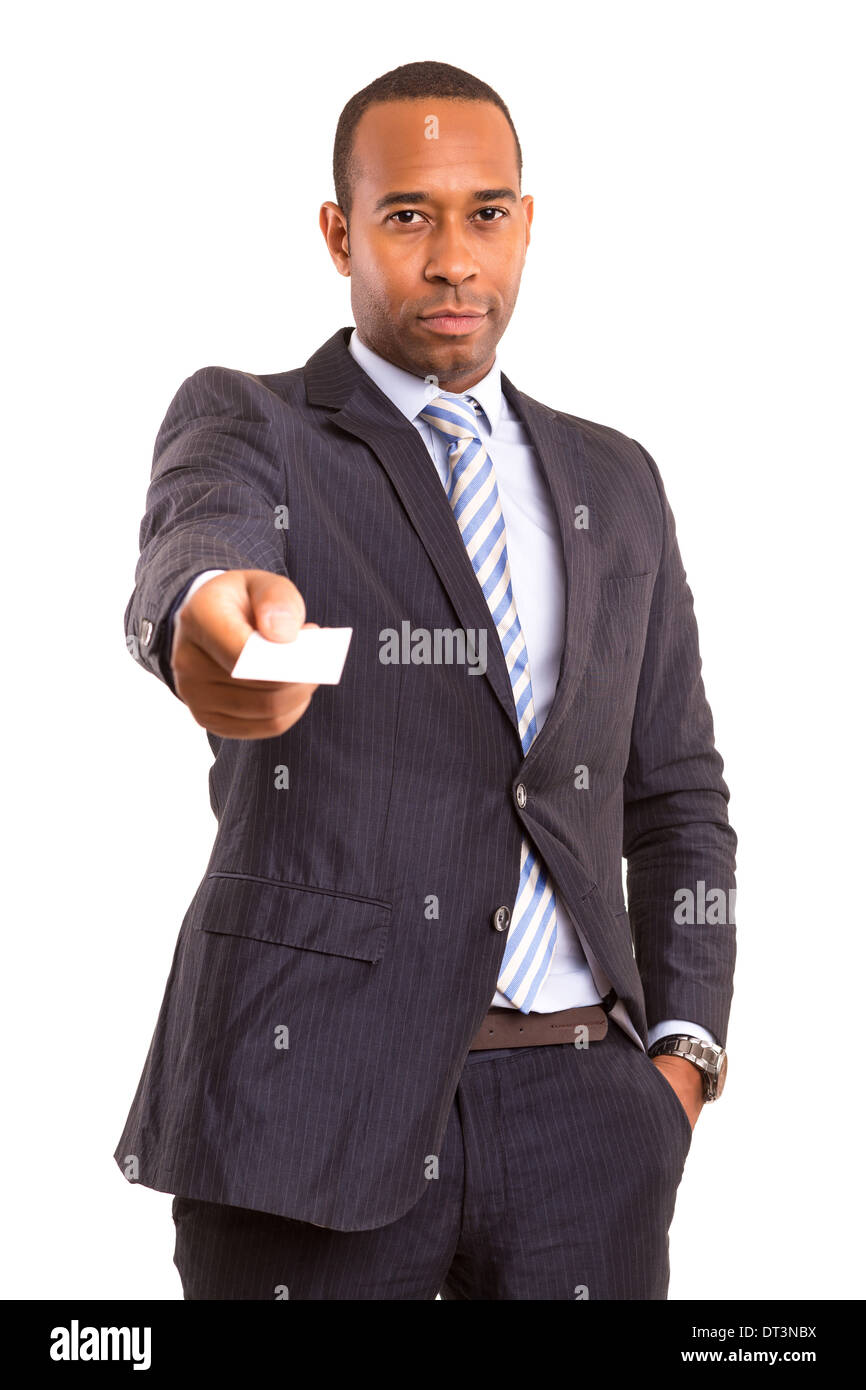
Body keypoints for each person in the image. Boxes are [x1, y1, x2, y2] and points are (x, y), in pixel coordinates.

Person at [115, 59, 736, 1300]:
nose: (454, 258)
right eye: (408, 216)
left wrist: (676, 1060)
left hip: (584, 1116)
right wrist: (209, 625)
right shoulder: (254, 422)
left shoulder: (615, 481)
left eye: (485, 213)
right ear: (341, 232)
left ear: (524, 223)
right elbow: (199, 546)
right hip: (308, 1105)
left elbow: (673, 793)